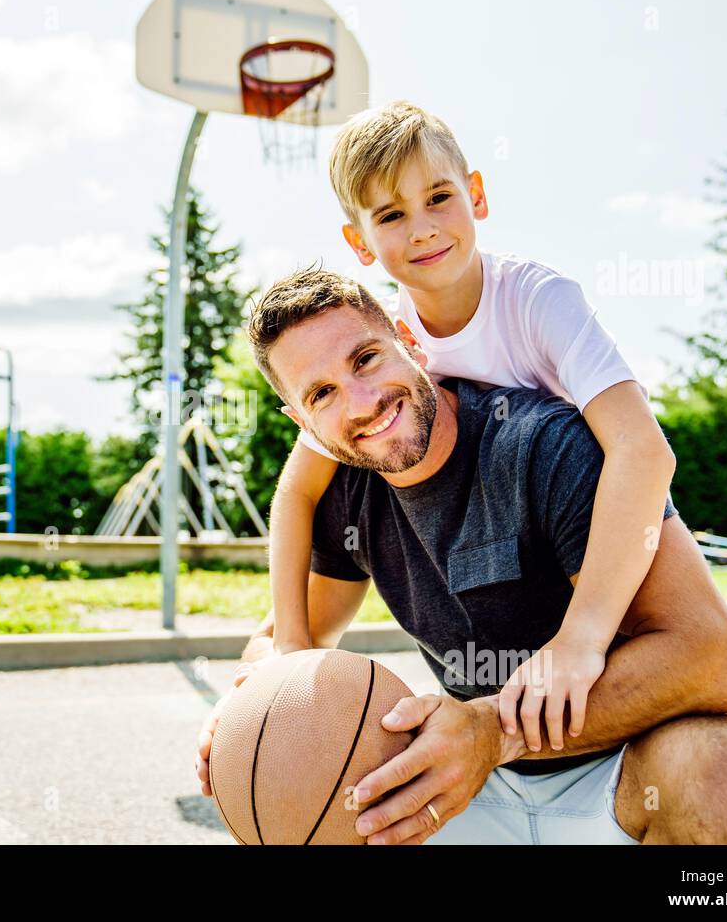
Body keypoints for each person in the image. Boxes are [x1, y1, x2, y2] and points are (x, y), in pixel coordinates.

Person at [196, 268, 727, 844]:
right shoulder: (343, 493)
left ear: (407, 339)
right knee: (300, 790)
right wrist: (251, 709)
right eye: (322, 393)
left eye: (365, 359)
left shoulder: (543, 445)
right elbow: (283, 641)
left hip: (620, 772)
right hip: (468, 788)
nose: (361, 402)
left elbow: (710, 656)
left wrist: (494, 731)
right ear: (299, 419)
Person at [267, 101, 676, 750]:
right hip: (492, 534)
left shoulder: (539, 300)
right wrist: (287, 642)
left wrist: (583, 635)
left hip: (582, 506)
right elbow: (297, 491)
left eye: (438, 198)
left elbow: (643, 451)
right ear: (359, 242)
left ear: (476, 194)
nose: (423, 229)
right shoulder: (380, 346)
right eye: (392, 215)